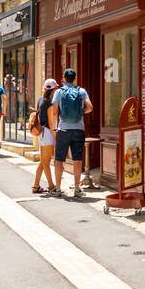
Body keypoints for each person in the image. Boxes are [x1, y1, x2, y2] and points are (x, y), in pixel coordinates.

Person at [52, 68, 92, 198]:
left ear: (63, 78)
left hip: (63, 129)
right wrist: (81, 113)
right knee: (77, 159)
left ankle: (58, 188)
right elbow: (90, 108)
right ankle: (77, 188)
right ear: (75, 78)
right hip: (78, 129)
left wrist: (54, 129)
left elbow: (54, 112)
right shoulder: (81, 91)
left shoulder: (58, 92)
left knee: (59, 159)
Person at [31, 79, 60, 195]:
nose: (57, 90)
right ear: (52, 90)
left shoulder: (41, 101)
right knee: (46, 162)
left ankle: (36, 186)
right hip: (47, 133)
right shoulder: (50, 104)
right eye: (56, 88)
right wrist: (56, 137)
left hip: (42, 134)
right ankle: (51, 186)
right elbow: (51, 122)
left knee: (43, 162)